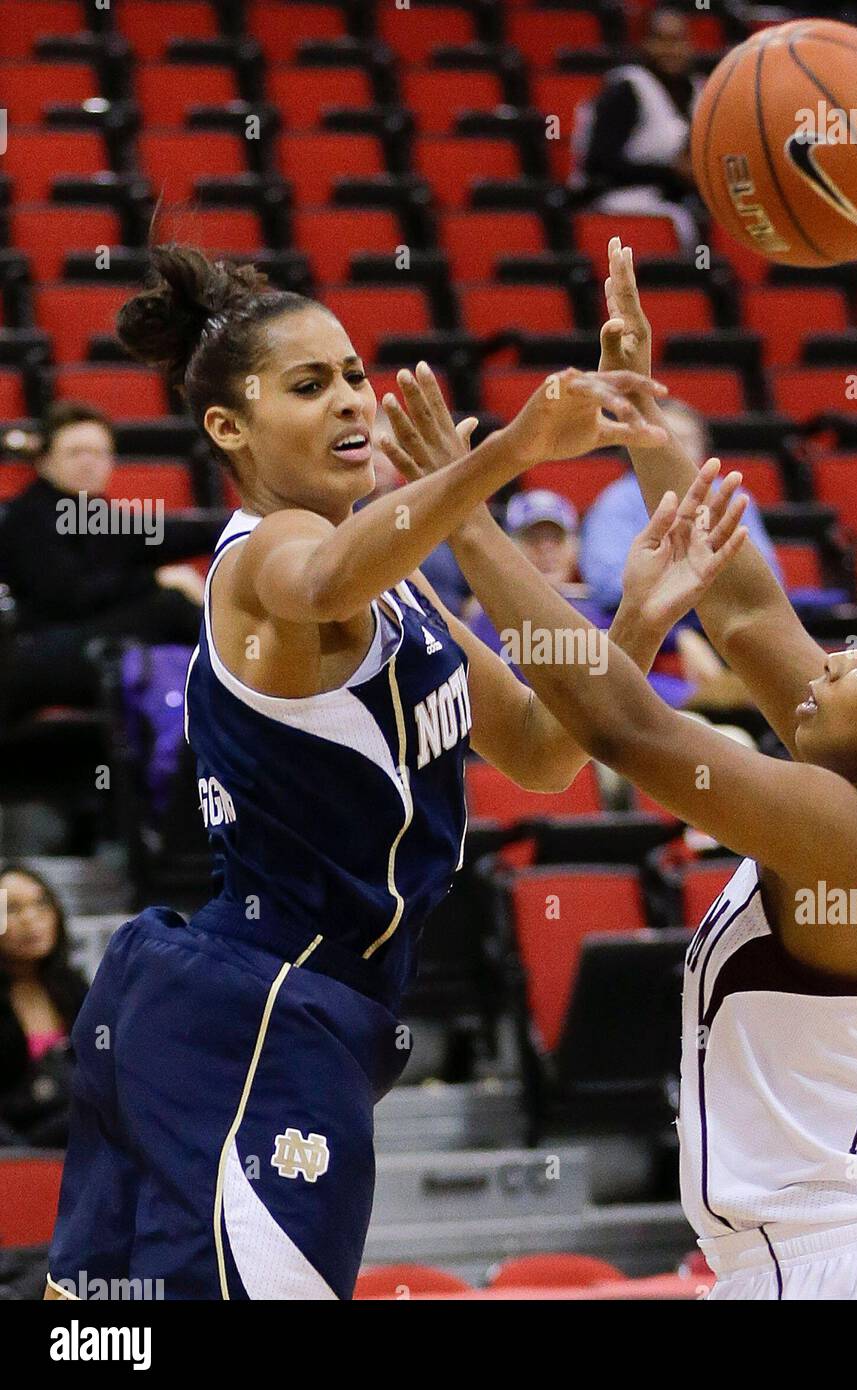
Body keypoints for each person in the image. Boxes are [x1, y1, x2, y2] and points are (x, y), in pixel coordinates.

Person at [381, 236, 857, 1300]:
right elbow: (750, 606)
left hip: (851, 1273)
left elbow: (627, 726)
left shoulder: (843, 834)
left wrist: (467, 509)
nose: (835, 659)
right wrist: (645, 419)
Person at [44, 244, 669, 1301]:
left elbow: (543, 747)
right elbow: (325, 574)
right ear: (227, 429)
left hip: (290, 1014)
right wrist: (514, 448)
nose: (350, 402)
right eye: (307, 383)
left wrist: (646, 610)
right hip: (248, 1014)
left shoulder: (403, 594)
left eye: (351, 375)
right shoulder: (262, 558)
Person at [0, 403, 221, 725]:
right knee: (171, 607)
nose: (90, 463)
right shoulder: (29, 516)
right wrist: (156, 580)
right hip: (40, 652)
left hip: (89, 642)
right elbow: (70, 597)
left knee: (176, 608)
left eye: (100, 453)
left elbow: (170, 535)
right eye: (76, 453)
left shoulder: (97, 515)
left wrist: (249, 523)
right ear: (44, 461)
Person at [464, 486, 717, 706]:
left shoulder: (601, 602)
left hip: (640, 718)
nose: (546, 550)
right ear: (510, 547)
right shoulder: (494, 612)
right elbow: (571, 686)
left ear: (575, 546)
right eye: (533, 539)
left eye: (556, 539)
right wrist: (685, 695)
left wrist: (682, 636)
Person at [579, 397, 782, 611]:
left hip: (728, 614)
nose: (677, 450)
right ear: (640, 446)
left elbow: (769, 579)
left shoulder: (729, 493)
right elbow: (607, 585)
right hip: (656, 619)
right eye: (669, 439)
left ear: (704, 448)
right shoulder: (617, 500)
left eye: (687, 439)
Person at [571, 6, 705, 249]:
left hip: (677, 202)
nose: (672, 50)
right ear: (645, 43)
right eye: (662, 41)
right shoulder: (626, 88)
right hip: (620, 200)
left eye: (679, 40)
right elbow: (599, 162)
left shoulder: (698, 90)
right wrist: (671, 173)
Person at [0, 865, 87, 1149]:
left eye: (41, 904)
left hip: (73, 1149)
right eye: (12, 909)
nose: (31, 919)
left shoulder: (75, 988)